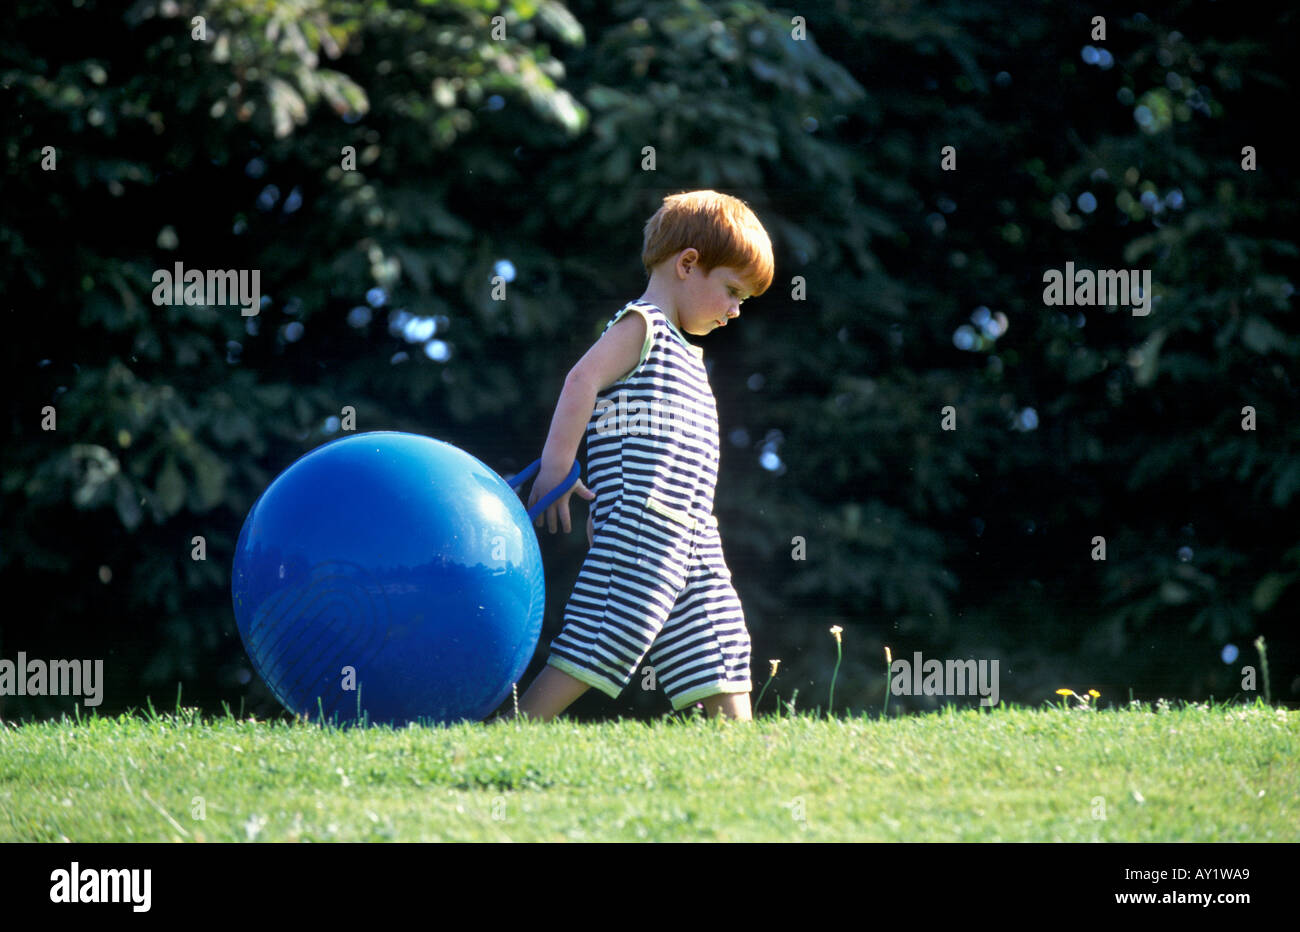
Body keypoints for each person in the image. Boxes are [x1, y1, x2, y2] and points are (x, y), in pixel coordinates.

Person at [494, 190, 774, 723]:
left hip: (693, 529)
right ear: (688, 264)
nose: (735, 311)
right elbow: (582, 380)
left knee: (720, 640)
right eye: (732, 291)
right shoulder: (641, 326)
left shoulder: (688, 353)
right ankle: (516, 726)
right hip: (644, 520)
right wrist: (557, 466)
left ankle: (740, 755)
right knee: (613, 630)